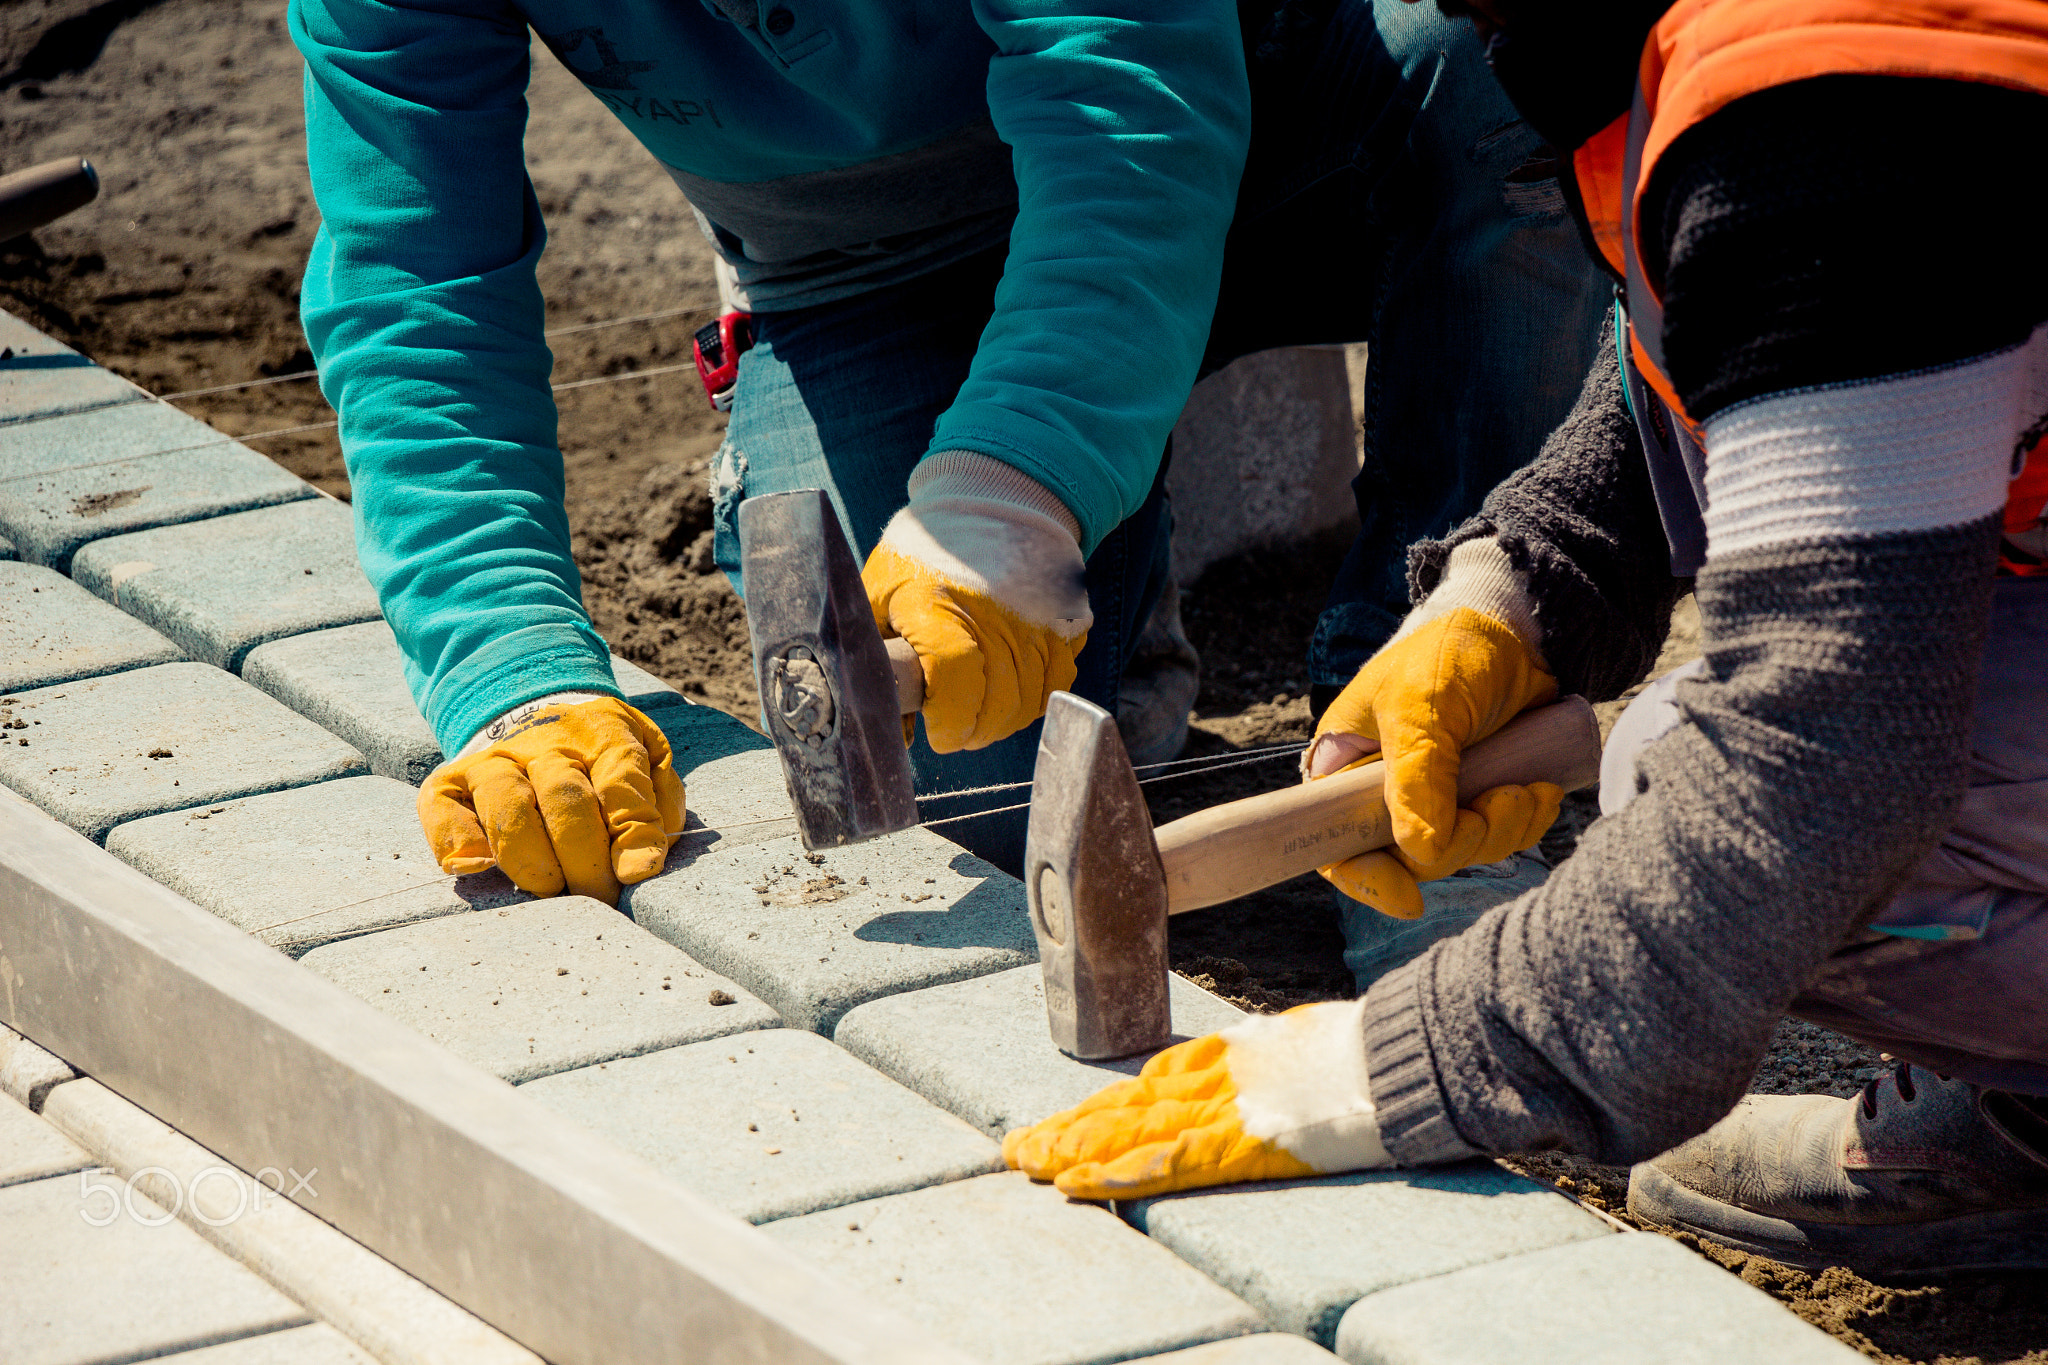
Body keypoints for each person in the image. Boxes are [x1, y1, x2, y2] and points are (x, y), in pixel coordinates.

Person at [1007, 0, 2048, 1273]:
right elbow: (1738, 326)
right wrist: (1518, 588)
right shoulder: (1678, 43)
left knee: (1719, 790)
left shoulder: (1820, 89)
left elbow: (1827, 760)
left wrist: (1422, 1054)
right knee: (1683, 760)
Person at [290, 0, 1606, 897]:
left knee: (1513, 64)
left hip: (1272, 109)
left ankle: (1425, 731)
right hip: (868, 272)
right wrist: (511, 666)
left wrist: (1005, 504)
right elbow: (416, 271)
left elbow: (1123, 100)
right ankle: (1109, 601)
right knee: (969, 808)